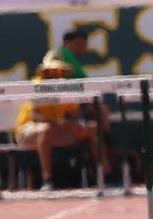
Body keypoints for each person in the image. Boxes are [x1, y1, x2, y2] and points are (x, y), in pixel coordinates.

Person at [13, 53, 103, 189]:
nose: (56, 73)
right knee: (46, 130)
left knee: (91, 128)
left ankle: (103, 175)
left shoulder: (65, 86)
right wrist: (58, 124)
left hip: (58, 128)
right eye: (53, 70)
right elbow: (35, 115)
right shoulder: (36, 84)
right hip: (28, 130)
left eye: (59, 70)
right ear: (45, 71)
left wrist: (77, 125)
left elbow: (76, 114)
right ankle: (47, 179)